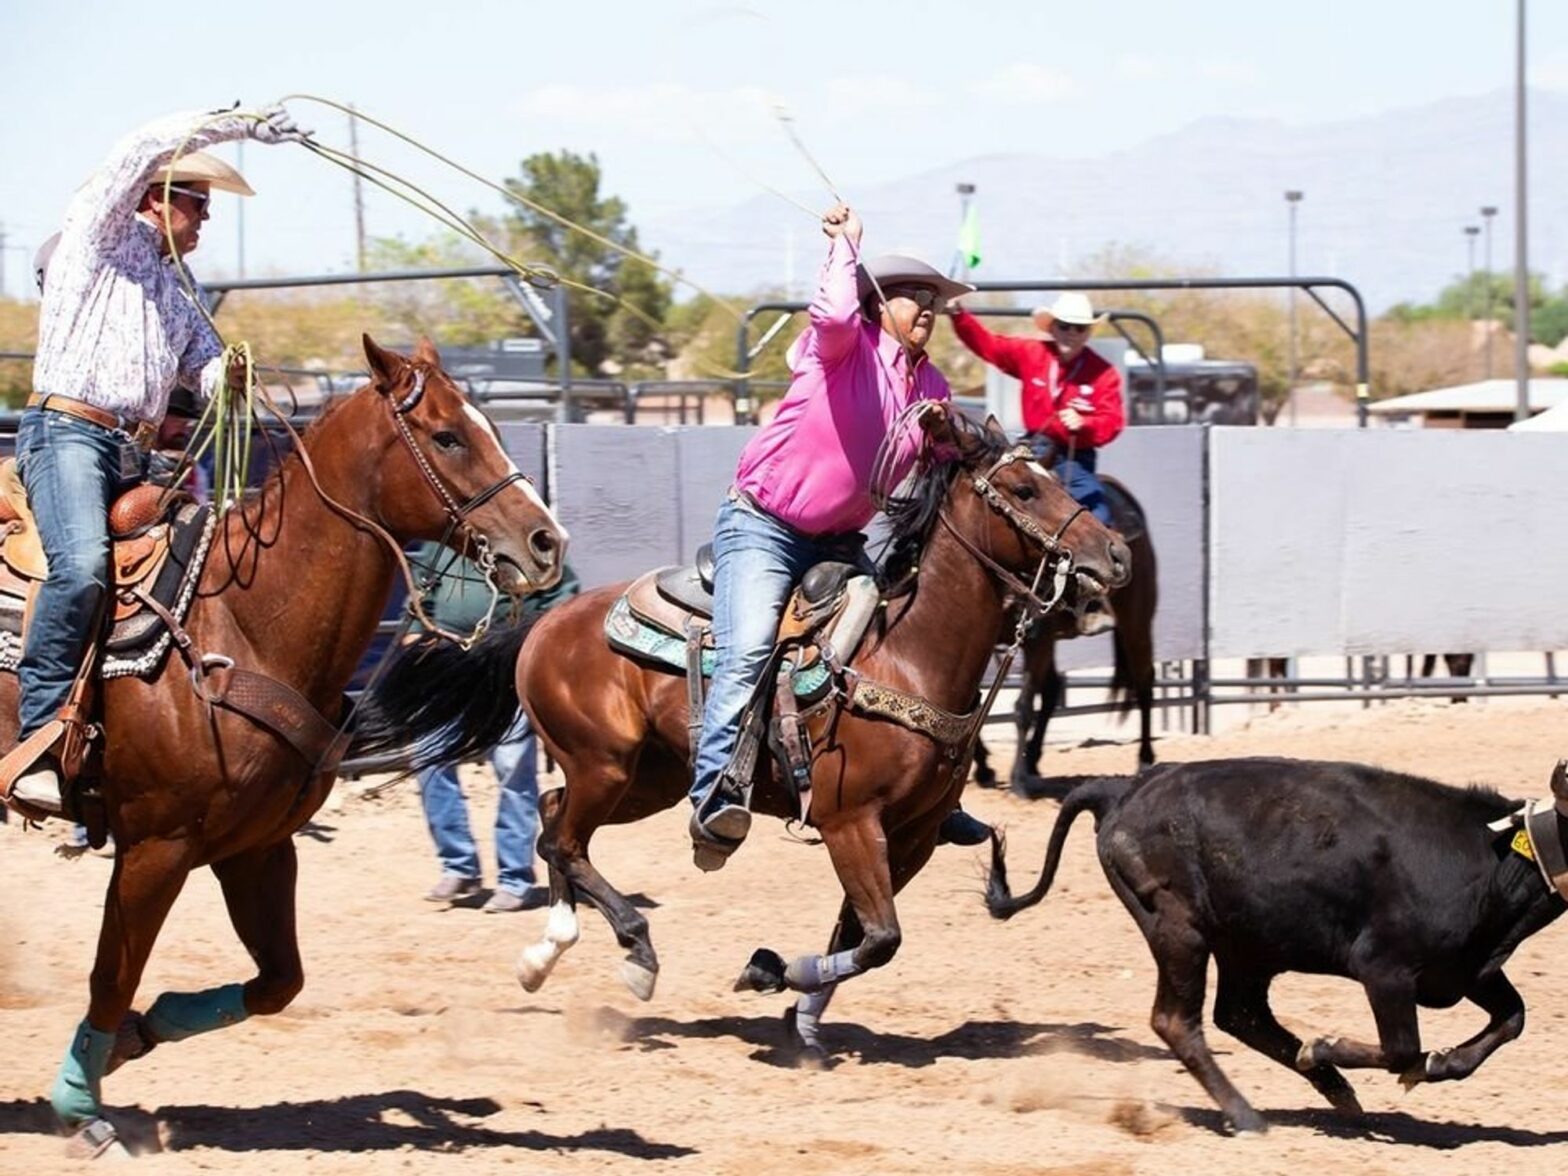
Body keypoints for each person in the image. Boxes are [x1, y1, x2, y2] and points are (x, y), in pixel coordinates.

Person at [8, 104, 309, 817]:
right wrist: (240, 124)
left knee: (204, 565)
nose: (203, 222)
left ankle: (146, 739)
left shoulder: (180, 287)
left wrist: (227, 378)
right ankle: (38, 739)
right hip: (68, 433)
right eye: (195, 205)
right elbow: (139, 142)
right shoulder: (99, 236)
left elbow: (202, 366)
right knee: (80, 566)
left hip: (133, 449)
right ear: (152, 197)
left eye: (206, 209)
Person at [688, 203, 990, 870]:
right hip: (763, 527)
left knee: (898, 644)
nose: (928, 310)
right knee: (746, 652)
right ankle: (713, 793)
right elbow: (828, 313)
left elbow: (947, 458)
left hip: (839, 543)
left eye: (934, 302)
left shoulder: (929, 384)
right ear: (877, 305)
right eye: (915, 298)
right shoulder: (843, 346)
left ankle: (928, 792)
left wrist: (964, 439)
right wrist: (844, 248)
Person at [412, 544, 579, 912]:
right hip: (449, 666)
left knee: (512, 768)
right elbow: (420, 589)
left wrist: (526, 643)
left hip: (506, 668)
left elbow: (563, 598)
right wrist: (414, 632)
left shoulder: (531, 543)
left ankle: (514, 878)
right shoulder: (442, 543)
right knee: (428, 757)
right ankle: (458, 864)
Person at [949, 291, 1125, 526]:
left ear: (1087, 334)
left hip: (1074, 458)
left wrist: (1085, 423)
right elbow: (989, 345)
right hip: (1032, 447)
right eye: (1065, 326)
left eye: (1079, 328)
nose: (1071, 334)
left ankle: (1102, 558)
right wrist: (959, 315)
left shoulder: (1103, 373)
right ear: (1052, 328)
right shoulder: (1031, 353)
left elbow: (1113, 421)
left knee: (1097, 516)